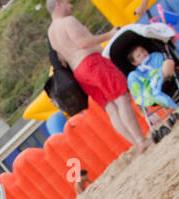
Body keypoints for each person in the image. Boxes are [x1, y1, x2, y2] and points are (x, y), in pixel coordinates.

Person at [46, 0, 147, 153]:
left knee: (111, 109)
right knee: (122, 99)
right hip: (92, 63)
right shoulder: (68, 21)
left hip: (79, 72)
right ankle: (141, 140)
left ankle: (136, 143)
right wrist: (110, 34)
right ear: (59, 4)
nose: (71, 5)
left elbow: (61, 59)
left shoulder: (51, 33)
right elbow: (83, 42)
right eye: (68, 2)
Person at [127, 45, 179, 112]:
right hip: (151, 90)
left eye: (143, 51)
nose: (143, 54)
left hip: (166, 78)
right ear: (135, 63)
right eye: (139, 56)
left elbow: (163, 64)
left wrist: (158, 75)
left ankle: (156, 86)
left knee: (168, 62)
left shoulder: (155, 56)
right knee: (131, 76)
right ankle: (154, 92)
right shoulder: (137, 73)